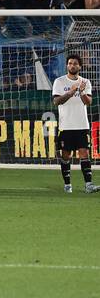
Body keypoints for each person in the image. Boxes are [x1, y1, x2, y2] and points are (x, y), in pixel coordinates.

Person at [52, 54, 95, 193]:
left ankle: (88, 185)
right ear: (67, 65)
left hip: (82, 124)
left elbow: (88, 102)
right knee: (66, 155)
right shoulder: (59, 82)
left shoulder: (86, 82)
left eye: (75, 63)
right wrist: (70, 92)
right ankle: (67, 185)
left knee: (84, 153)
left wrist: (81, 92)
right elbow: (56, 101)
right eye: (70, 63)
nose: (72, 65)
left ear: (80, 66)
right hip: (66, 125)